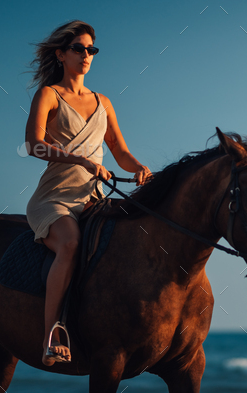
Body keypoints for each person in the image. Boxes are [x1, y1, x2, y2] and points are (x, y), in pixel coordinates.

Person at [24, 20, 152, 366]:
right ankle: (52, 333)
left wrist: (140, 168)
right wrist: (79, 159)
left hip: (93, 197)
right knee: (69, 243)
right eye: (78, 49)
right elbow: (34, 145)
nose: (86, 55)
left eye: (90, 50)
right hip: (55, 198)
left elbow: (120, 152)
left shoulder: (103, 102)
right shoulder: (49, 95)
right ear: (61, 54)